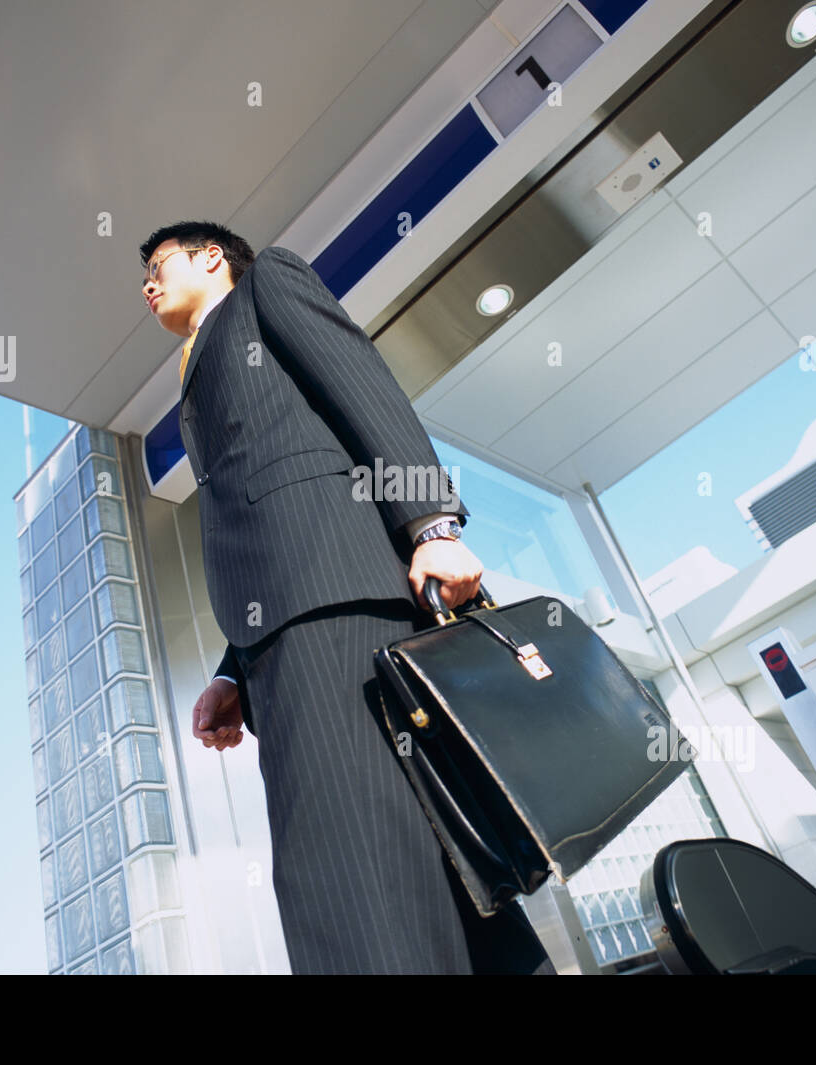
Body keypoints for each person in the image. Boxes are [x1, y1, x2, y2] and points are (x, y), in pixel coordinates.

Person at [139, 220, 555, 974]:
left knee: (341, 860)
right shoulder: (191, 374)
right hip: (285, 636)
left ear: (211, 257)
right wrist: (236, 670)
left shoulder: (267, 284)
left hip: (340, 604)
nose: (147, 282)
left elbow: (361, 383)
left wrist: (432, 522)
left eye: (159, 263)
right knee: (414, 847)